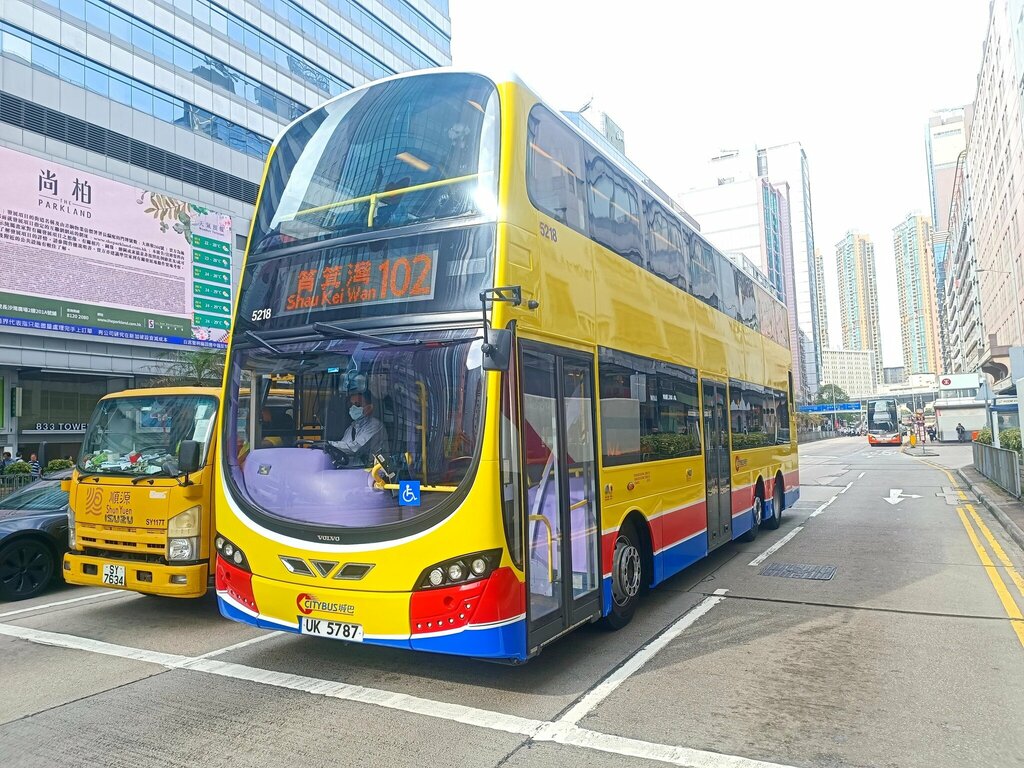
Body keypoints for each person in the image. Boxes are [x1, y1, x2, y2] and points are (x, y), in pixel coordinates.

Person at [329, 390, 387, 465]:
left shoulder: (375, 425)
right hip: (352, 469)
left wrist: (328, 444)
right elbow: (342, 448)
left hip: (372, 469)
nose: (352, 407)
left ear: (369, 407)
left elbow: (355, 448)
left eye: (357, 404)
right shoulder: (351, 428)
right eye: (351, 404)